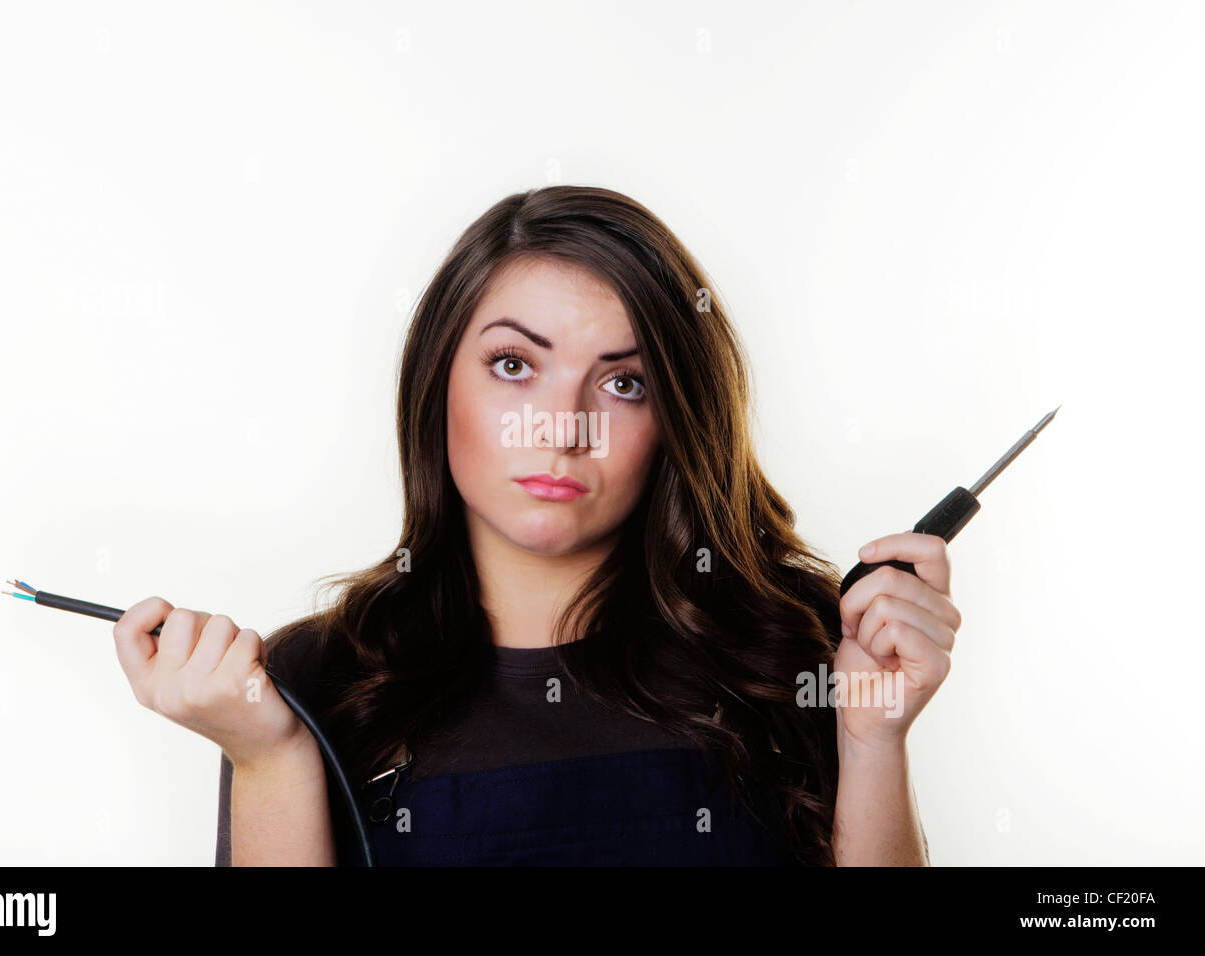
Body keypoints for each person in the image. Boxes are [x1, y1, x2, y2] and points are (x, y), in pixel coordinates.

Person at [113, 185, 962, 866]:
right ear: (437, 382)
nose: (562, 428)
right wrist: (269, 758)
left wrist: (872, 739)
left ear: (676, 419)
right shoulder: (310, 681)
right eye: (515, 366)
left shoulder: (801, 653)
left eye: (623, 384)